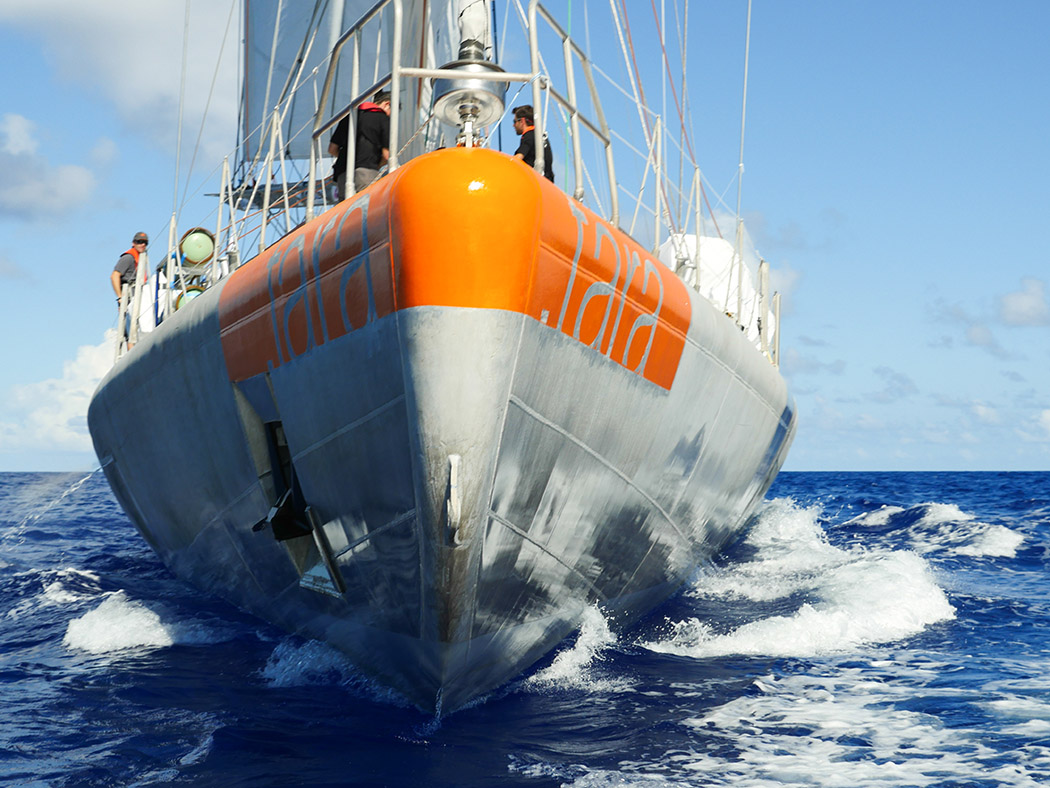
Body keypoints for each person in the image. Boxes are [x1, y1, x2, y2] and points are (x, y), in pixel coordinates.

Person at [328, 90, 392, 200]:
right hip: (367, 172)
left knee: (347, 212)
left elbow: (332, 149)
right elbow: (387, 155)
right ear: (387, 104)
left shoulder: (349, 116)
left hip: (343, 175)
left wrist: (349, 158)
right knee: (369, 211)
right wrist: (378, 165)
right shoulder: (383, 119)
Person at [511, 105, 554, 183]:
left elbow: (518, 158)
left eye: (515, 121)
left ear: (522, 121)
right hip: (548, 182)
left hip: (536, 182)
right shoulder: (539, 135)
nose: (513, 125)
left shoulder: (529, 135)